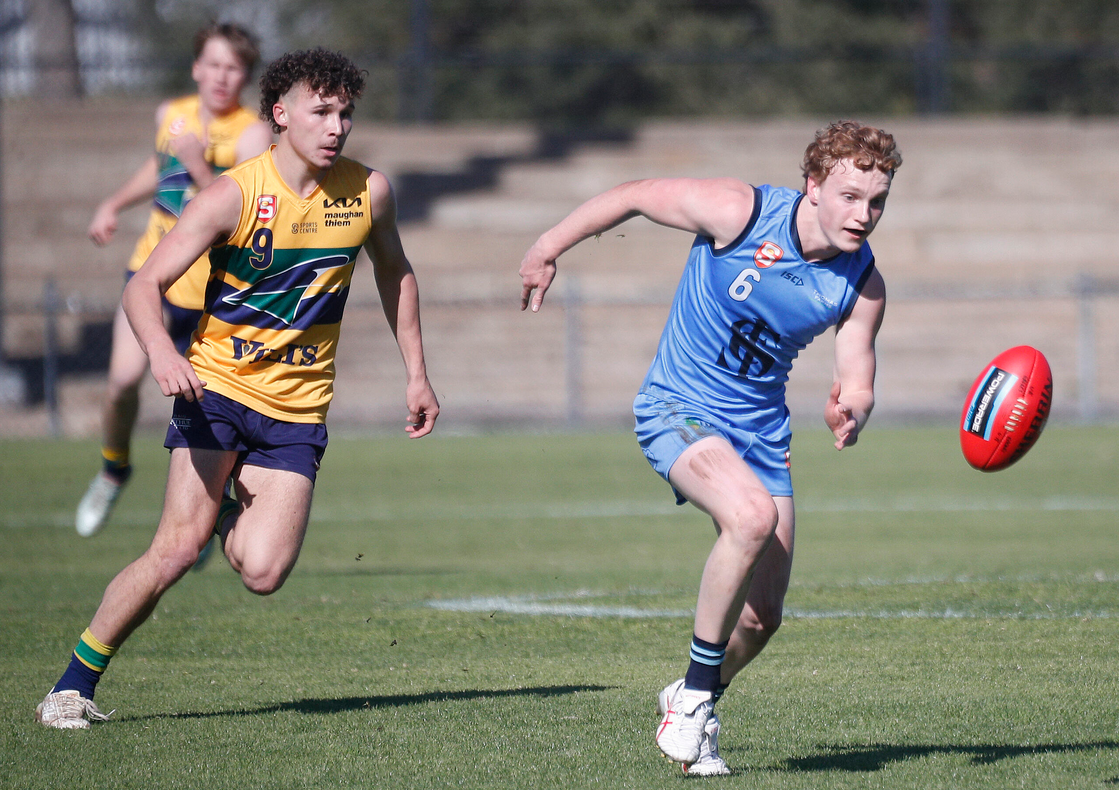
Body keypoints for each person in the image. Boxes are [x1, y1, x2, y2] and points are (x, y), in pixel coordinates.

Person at [35, 47, 439, 729]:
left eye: (345, 113)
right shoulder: (233, 194)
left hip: (298, 408)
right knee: (176, 549)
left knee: (262, 572)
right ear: (281, 114)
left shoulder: (368, 191)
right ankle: (72, 686)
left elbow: (395, 272)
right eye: (321, 111)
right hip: (215, 390)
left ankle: (227, 505)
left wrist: (418, 373)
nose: (336, 126)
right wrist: (163, 352)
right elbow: (143, 286)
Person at [519, 120, 900, 775]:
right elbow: (634, 194)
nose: (862, 215)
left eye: (876, 202)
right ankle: (695, 699)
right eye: (847, 196)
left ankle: (692, 695)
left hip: (761, 435)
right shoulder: (738, 211)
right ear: (811, 185)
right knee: (749, 517)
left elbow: (855, 367)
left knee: (761, 620)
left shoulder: (861, 283)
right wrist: (547, 246)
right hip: (678, 408)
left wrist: (852, 406)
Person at [76, 22, 273, 538]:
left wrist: (199, 163)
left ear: (244, 76)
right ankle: (113, 469)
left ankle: (209, 513)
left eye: (233, 67)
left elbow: (243, 211)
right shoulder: (171, 114)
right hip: (155, 279)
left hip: (214, 294)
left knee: (207, 409)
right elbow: (158, 167)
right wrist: (113, 202)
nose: (221, 76)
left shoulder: (252, 134)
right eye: (212, 64)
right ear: (196, 68)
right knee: (121, 383)